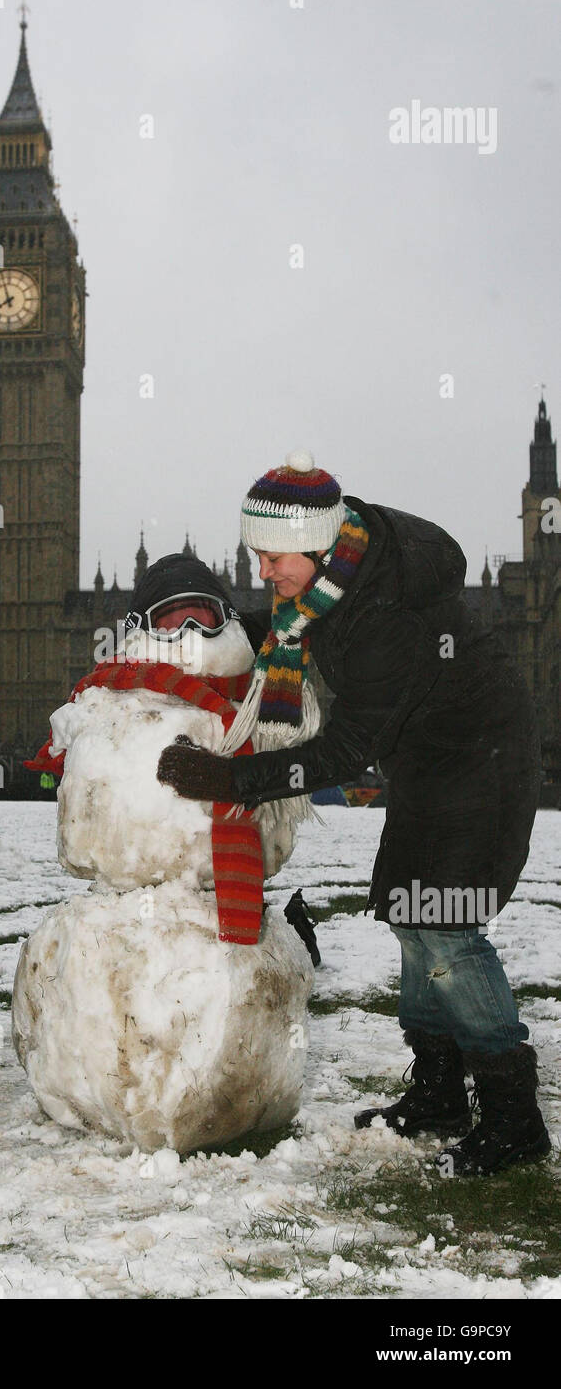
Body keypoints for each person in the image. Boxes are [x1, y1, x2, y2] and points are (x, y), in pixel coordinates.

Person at [157, 449, 550, 1178]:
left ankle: (512, 1113)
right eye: (257, 556)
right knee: (410, 910)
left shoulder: (381, 621)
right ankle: (438, 1093)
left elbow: (339, 755)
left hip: (482, 762)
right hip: (431, 763)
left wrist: (229, 777)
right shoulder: (331, 582)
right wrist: (195, 620)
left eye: (272, 558)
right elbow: (273, 628)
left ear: (314, 545)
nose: (265, 572)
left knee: (446, 927)